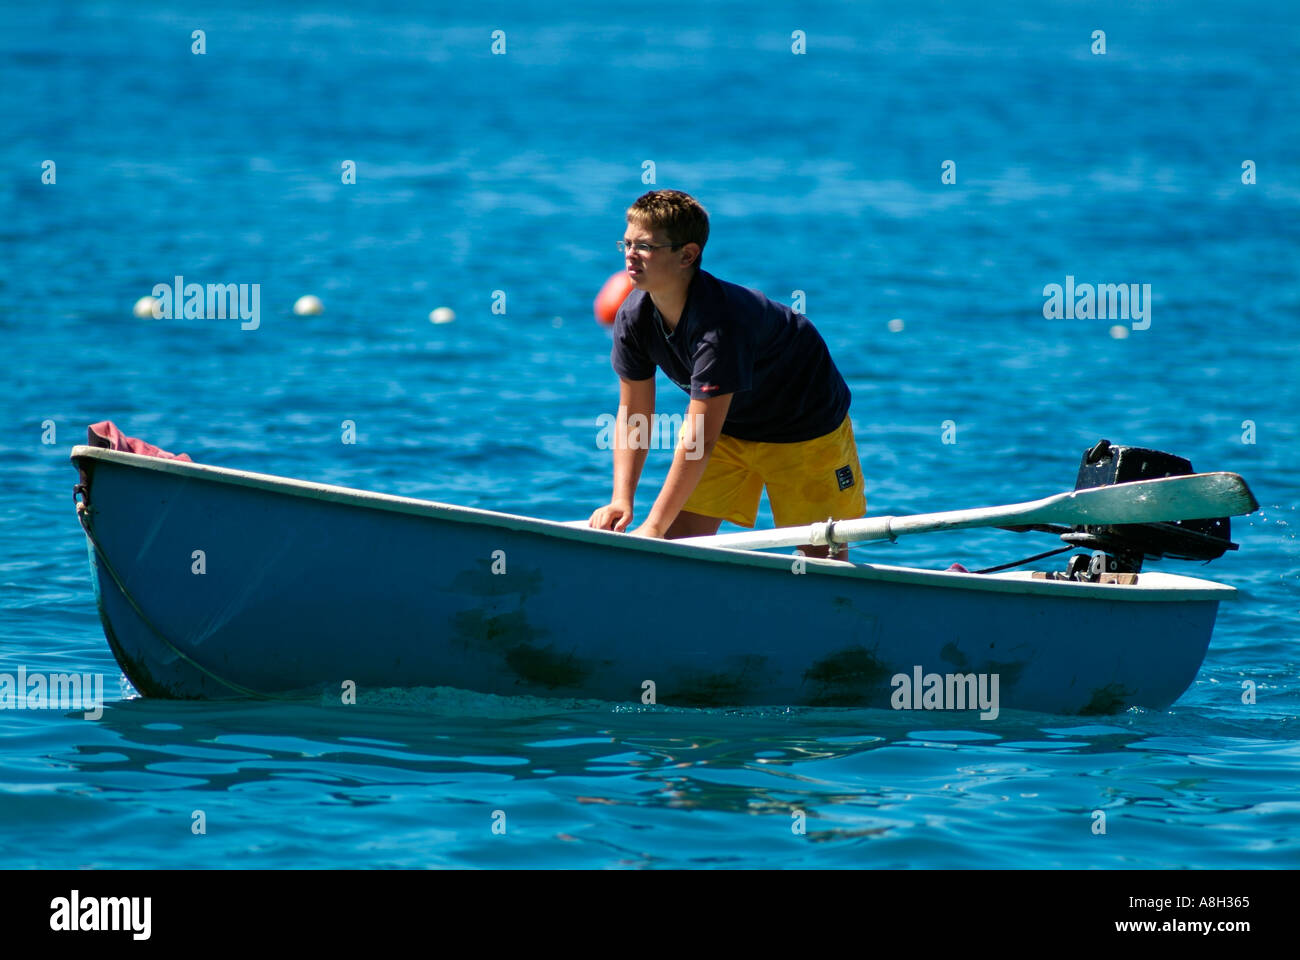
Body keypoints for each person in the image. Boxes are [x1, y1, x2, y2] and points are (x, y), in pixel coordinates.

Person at [588, 189, 865, 559]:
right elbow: (635, 416)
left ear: (687, 254)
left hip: (805, 427)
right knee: (677, 545)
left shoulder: (719, 327)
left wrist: (651, 527)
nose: (630, 255)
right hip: (731, 426)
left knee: (820, 555)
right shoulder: (633, 317)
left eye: (646, 246)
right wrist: (622, 500)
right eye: (626, 243)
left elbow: (698, 439)